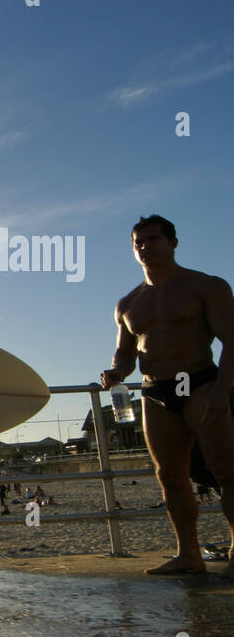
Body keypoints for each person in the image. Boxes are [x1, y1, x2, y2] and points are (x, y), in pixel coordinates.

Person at [100, 215, 234, 576]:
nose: (145, 247)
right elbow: (126, 354)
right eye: (138, 243)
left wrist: (223, 389)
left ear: (173, 242)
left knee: (227, 471)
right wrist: (115, 372)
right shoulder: (128, 304)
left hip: (200, 382)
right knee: (169, 475)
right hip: (155, 390)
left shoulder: (205, 286)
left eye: (153, 239)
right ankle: (189, 554)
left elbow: (231, 339)